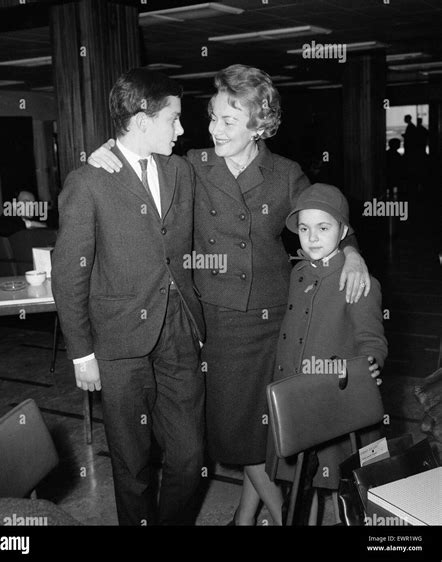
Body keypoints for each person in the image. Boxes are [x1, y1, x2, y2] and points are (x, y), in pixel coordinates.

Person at [87, 64, 371, 526]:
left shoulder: (284, 174)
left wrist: (353, 253)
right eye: (213, 118)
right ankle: (287, 519)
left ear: (259, 125)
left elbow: (326, 217)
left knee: (269, 431)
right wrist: (103, 152)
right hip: (217, 323)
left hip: (275, 321)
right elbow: (135, 160)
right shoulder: (191, 165)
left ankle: (244, 518)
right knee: (235, 436)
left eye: (228, 121)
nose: (214, 129)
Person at [51, 69, 206, 526]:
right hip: (119, 346)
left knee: (189, 457)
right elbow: (69, 273)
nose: (181, 130)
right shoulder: (89, 181)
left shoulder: (181, 170)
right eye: (173, 119)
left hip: (178, 330)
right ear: (141, 121)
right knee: (132, 465)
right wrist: (82, 354)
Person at [266, 183, 387, 523]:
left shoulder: (357, 281)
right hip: (296, 401)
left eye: (323, 228)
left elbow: (372, 341)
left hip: (334, 405)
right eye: (304, 229)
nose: (312, 238)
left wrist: (370, 366)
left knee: (343, 485)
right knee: (299, 491)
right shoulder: (299, 272)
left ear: (344, 231)